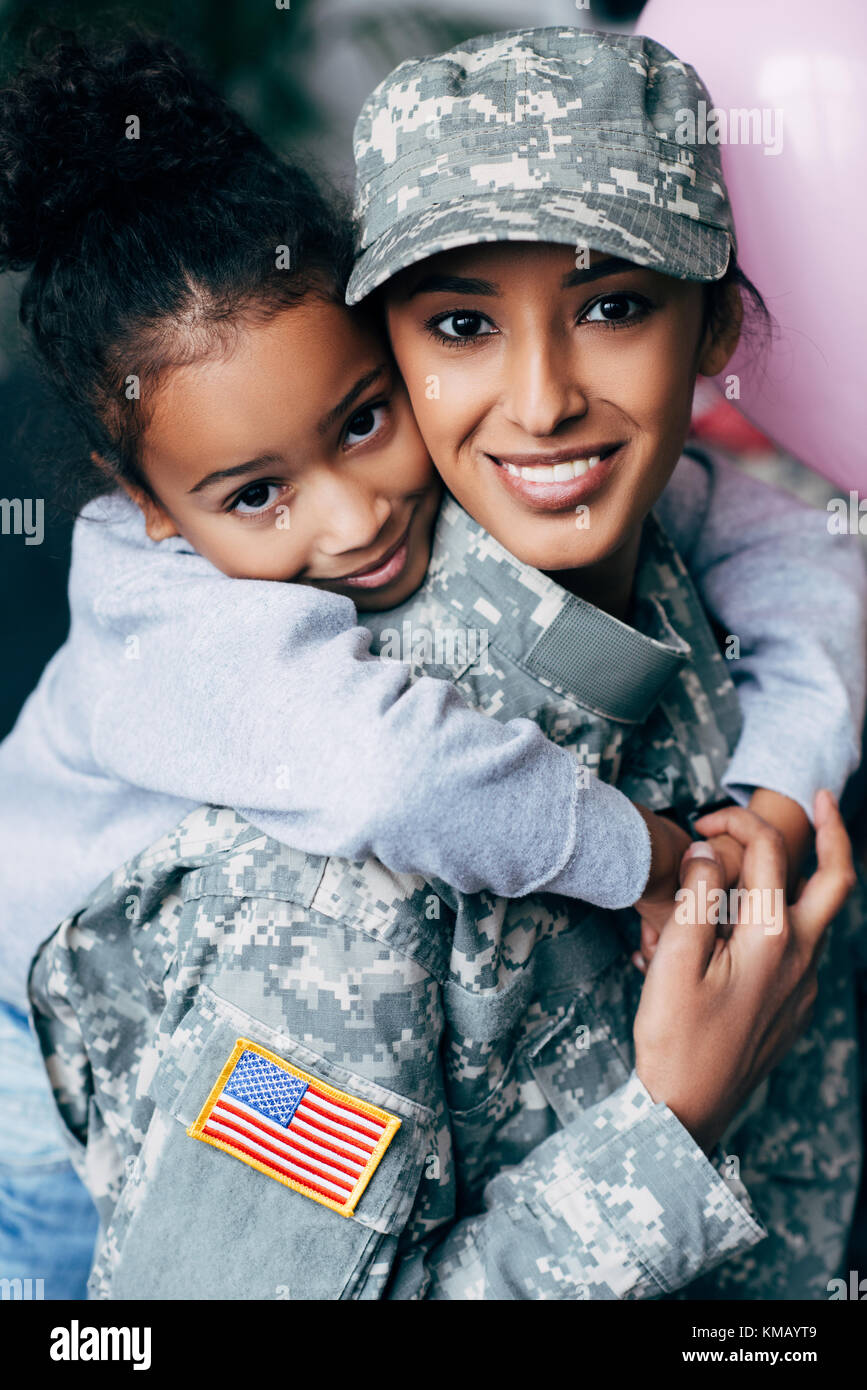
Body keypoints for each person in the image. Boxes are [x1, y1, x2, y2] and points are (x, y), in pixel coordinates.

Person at [27, 28, 867, 1298]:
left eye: (615, 305)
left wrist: (780, 786)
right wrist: (671, 1129)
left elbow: (805, 555)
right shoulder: (322, 859)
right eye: (464, 321)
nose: (540, 401)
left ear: (716, 326)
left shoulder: (671, 581)